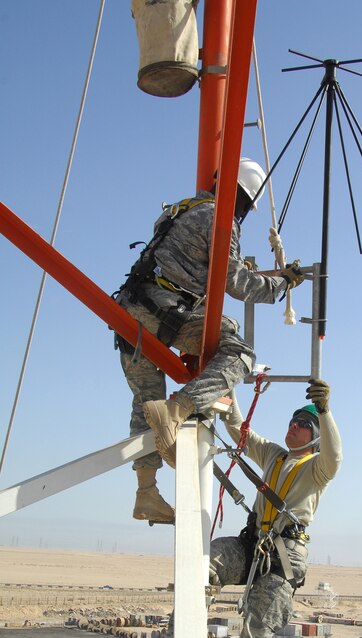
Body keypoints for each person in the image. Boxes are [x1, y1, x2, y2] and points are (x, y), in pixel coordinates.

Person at [137, 377, 342, 638]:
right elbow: (240, 432)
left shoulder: (316, 469)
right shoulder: (276, 456)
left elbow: (336, 456)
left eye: (303, 424)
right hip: (254, 545)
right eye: (294, 420)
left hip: (282, 559)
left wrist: (326, 412)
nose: (294, 426)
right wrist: (226, 398)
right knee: (200, 560)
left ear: (314, 437)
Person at [114, 158, 305, 524]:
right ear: (247, 201)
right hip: (164, 312)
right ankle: (180, 408)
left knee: (145, 401)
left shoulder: (181, 209)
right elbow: (237, 283)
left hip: (128, 313)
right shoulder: (221, 219)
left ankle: (146, 492)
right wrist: (282, 283)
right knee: (240, 351)